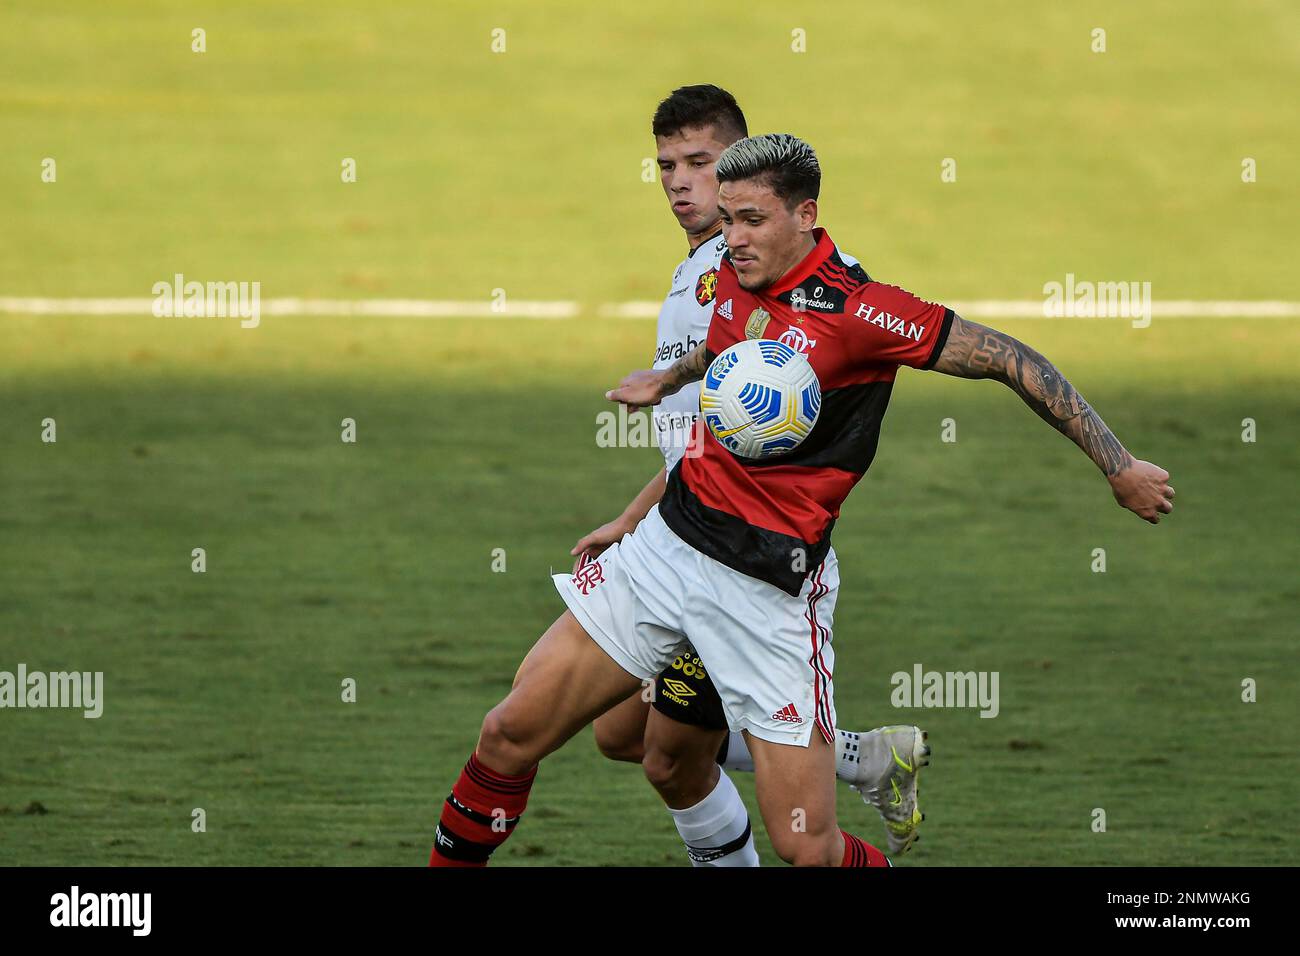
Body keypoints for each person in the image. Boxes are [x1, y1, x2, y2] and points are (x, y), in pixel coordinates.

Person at [429, 133, 1174, 868]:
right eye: (726, 217)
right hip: (668, 548)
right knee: (508, 734)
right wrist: (670, 378)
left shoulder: (862, 312)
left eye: (752, 219)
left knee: (806, 847)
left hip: (767, 590)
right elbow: (723, 346)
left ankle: (863, 769)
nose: (732, 236)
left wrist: (1118, 464)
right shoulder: (729, 271)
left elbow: (1011, 359)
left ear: (805, 215)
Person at [574, 85, 927, 866]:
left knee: (670, 757)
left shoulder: (753, 278)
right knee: (621, 735)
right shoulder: (709, 275)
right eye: (666, 165)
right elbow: (699, 439)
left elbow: (745, 435)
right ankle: (862, 756)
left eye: (699, 163)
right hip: (683, 535)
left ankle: (856, 760)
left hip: (743, 562)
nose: (678, 182)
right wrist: (635, 521)